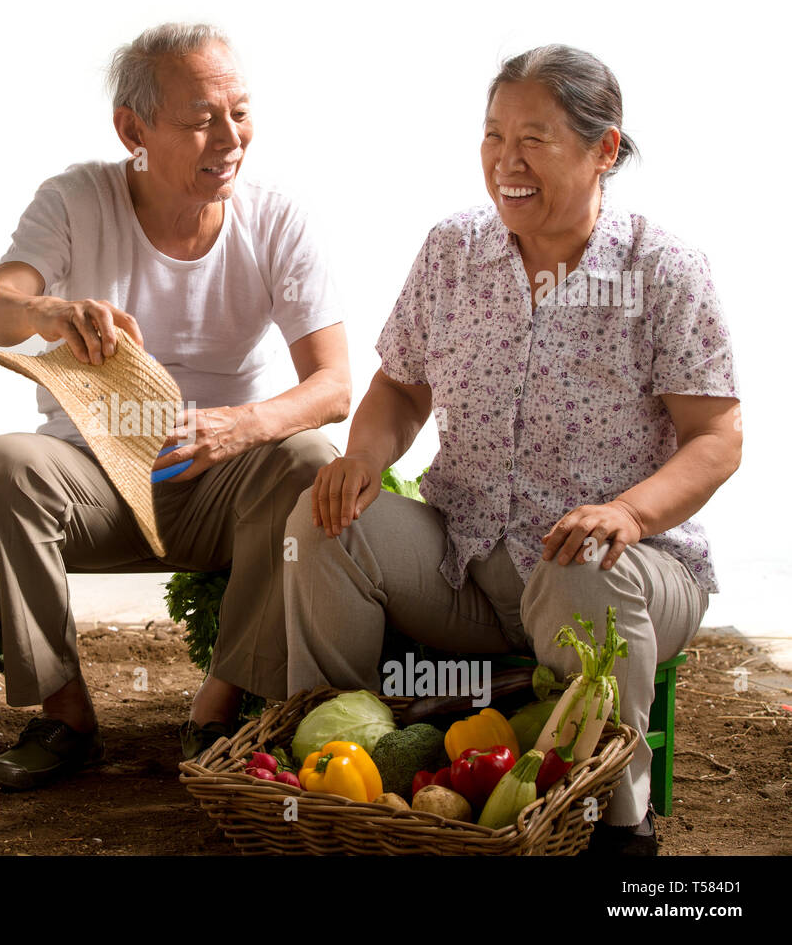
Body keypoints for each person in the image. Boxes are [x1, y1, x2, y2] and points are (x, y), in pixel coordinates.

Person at [282, 44, 740, 854]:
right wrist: (362, 456)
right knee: (323, 519)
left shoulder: (662, 269)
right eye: (493, 136)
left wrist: (628, 514)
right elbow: (401, 388)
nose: (506, 161)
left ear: (605, 149)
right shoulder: (454, 251)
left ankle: (616, 825)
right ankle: (341, 769)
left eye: (534, 138)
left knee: (582, 560)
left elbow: (717, 439)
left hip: (623, 576)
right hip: (468, 557)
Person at [0, 22, 350, 789]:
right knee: (2, 463)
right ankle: (64, 715)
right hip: (93, 481)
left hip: (222, 488)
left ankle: (217, 709)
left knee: (308, 458)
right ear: (132, 130)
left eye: (240, 112)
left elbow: (334, 387)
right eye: (203, 118)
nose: (231, 137)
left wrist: (243, 426)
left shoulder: (276, 219)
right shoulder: (76, 198)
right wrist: (45, 313)